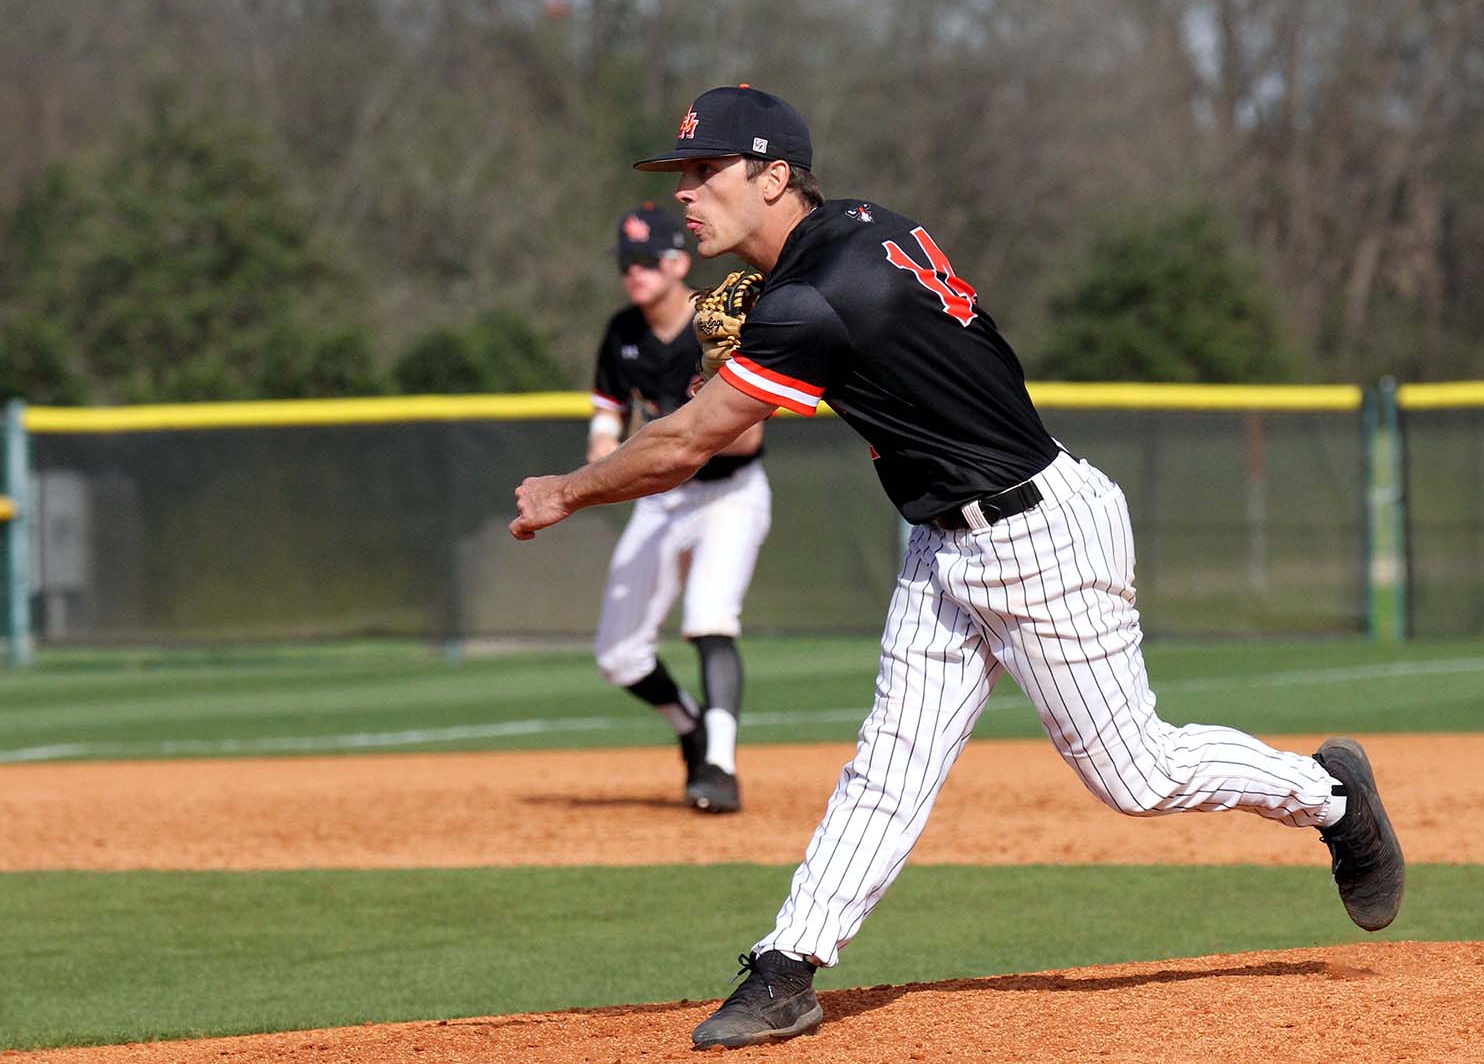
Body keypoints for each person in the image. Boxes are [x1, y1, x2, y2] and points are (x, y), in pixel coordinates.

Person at [511, 85, 1404, 1051]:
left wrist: (565, 491)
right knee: (889, 765)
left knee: (1138, 775)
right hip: (945, 534)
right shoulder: (857, 228)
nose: (685, 194)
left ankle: (1331, 796)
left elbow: (684, 443)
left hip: (1037, 535)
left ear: (773, 177)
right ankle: (787, 966)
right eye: (680, 174)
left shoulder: (810, 301)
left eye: (705, 171)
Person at [587, 202, 771, 814]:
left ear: (678, 262)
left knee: (709, 618)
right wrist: (603, 461)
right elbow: (606, 419)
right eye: (625, 262)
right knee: (618, 656)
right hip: (661, 497)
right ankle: (689, 724)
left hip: (730, 492)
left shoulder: (715, 320)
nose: (633, 272)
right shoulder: (622, 334)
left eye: (645, 260)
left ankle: (719, 765)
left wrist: (709, 401)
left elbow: (748, 438)